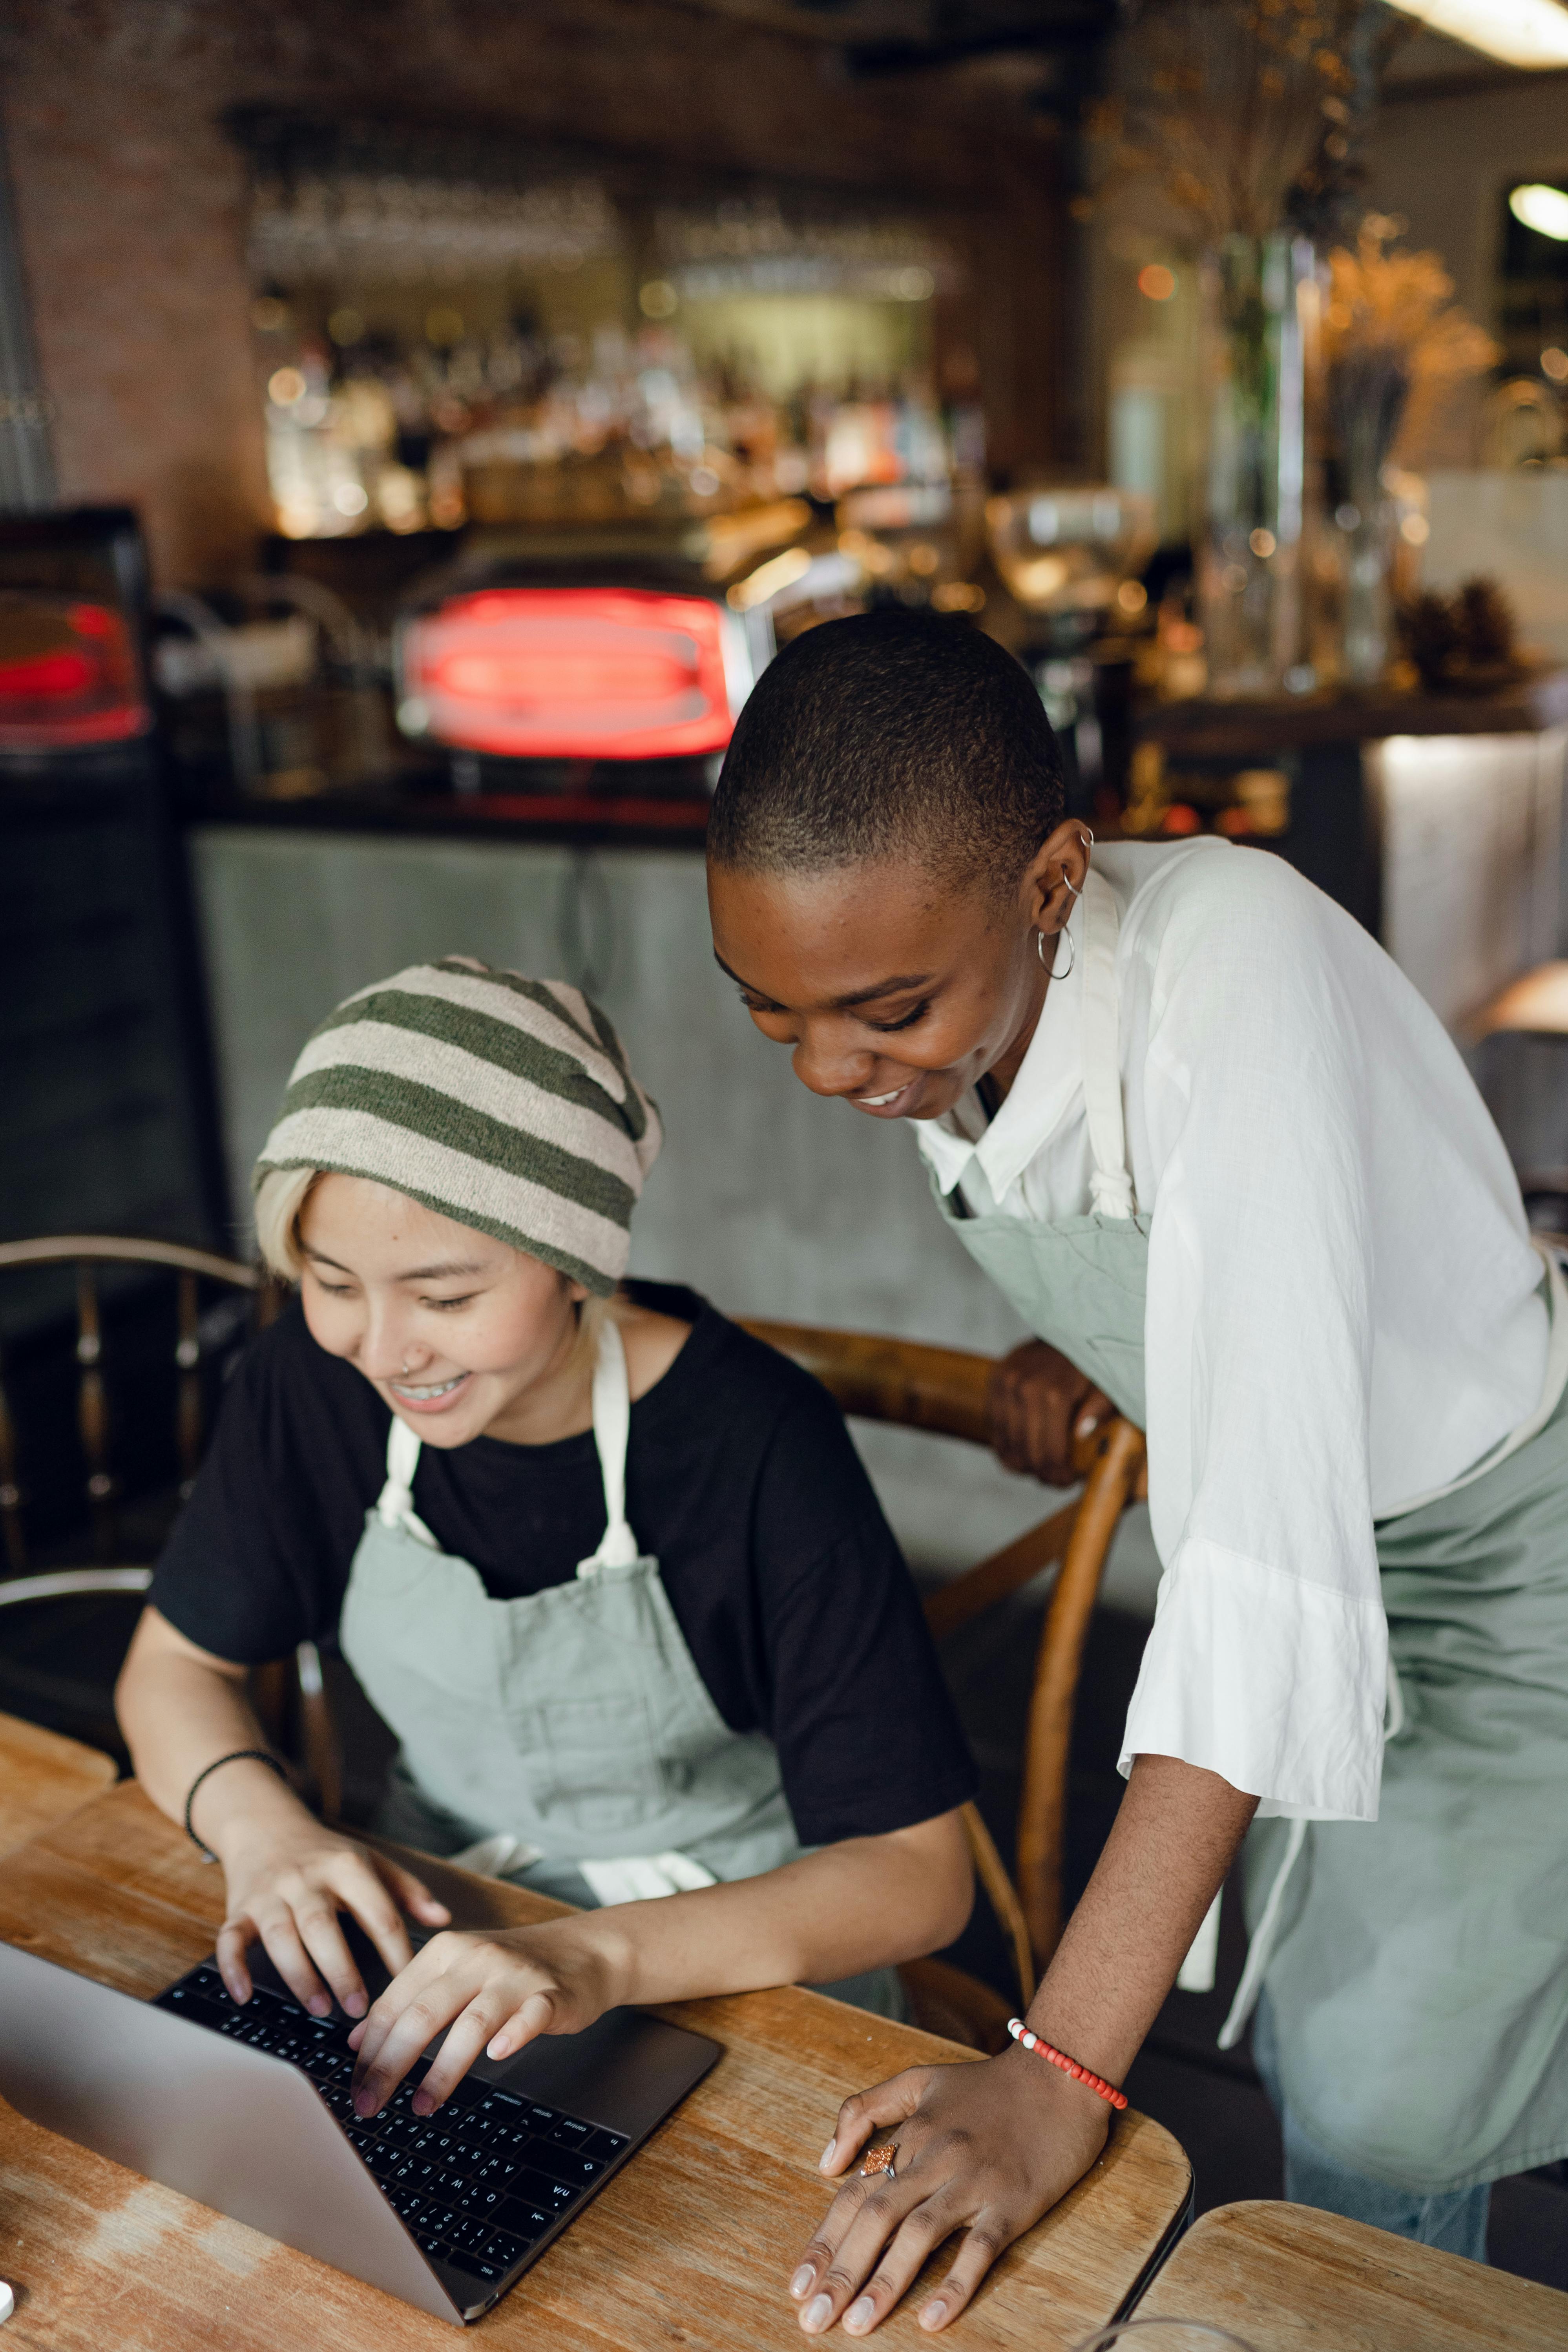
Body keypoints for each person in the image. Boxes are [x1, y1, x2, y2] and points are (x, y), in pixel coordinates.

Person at [704, 611, 1568, 2337]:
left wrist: (1059, 2076)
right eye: (771, 1014)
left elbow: (1256, 1574)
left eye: (883, 1012)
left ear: (1051, 880)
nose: (829, 1070)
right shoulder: (963, 999)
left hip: (1503, 1561)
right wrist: (1121, 1346)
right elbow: (1211, 1249)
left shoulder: (1230, 962)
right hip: (1316, 1519)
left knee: (1386, 2096)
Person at [117, 957, 976, 2126]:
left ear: (578, 1257)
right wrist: (265, 1836)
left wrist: (591, 1961)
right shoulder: (311, 1385)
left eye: (445, 1296)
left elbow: (915, 1875)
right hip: (434, 1925)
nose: (383, 1348)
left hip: (733, 1958)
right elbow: (173, 1668)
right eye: (330, 1282)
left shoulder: (753, 1439)